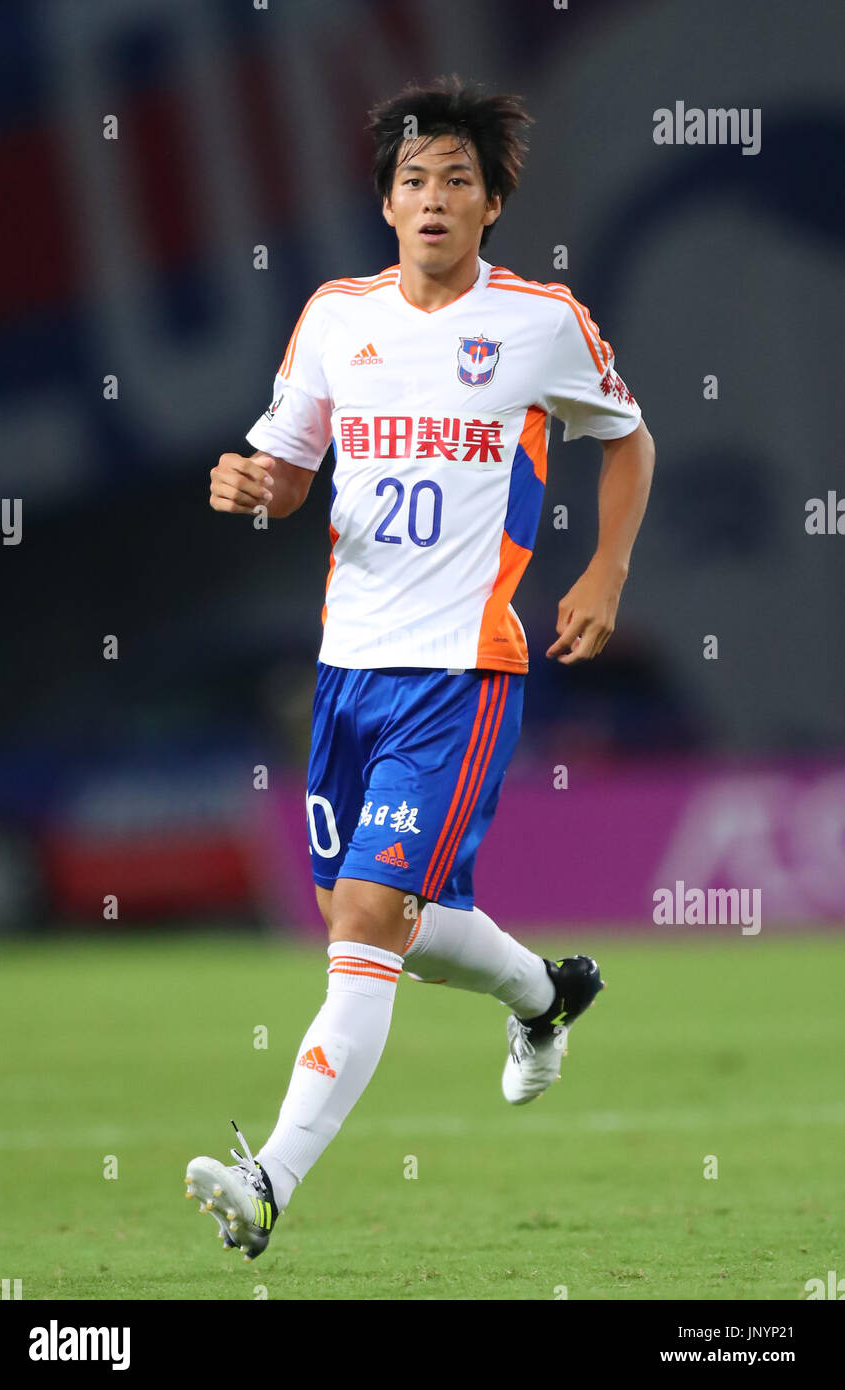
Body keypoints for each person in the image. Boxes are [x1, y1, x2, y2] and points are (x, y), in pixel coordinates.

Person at [186, 74, 655, 1261]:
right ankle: (546, 994)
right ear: (386, 203)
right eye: (413, 179)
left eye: (457, 179)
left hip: (459, 673)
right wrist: (250, 487)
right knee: (394, 919)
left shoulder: (539, 322)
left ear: (491, 203)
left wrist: (602, 574)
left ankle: (267, 1182)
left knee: (363, 921)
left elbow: (628, 437)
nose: (433, 197)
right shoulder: (333, 318)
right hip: (346, 671)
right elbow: (288, 473)